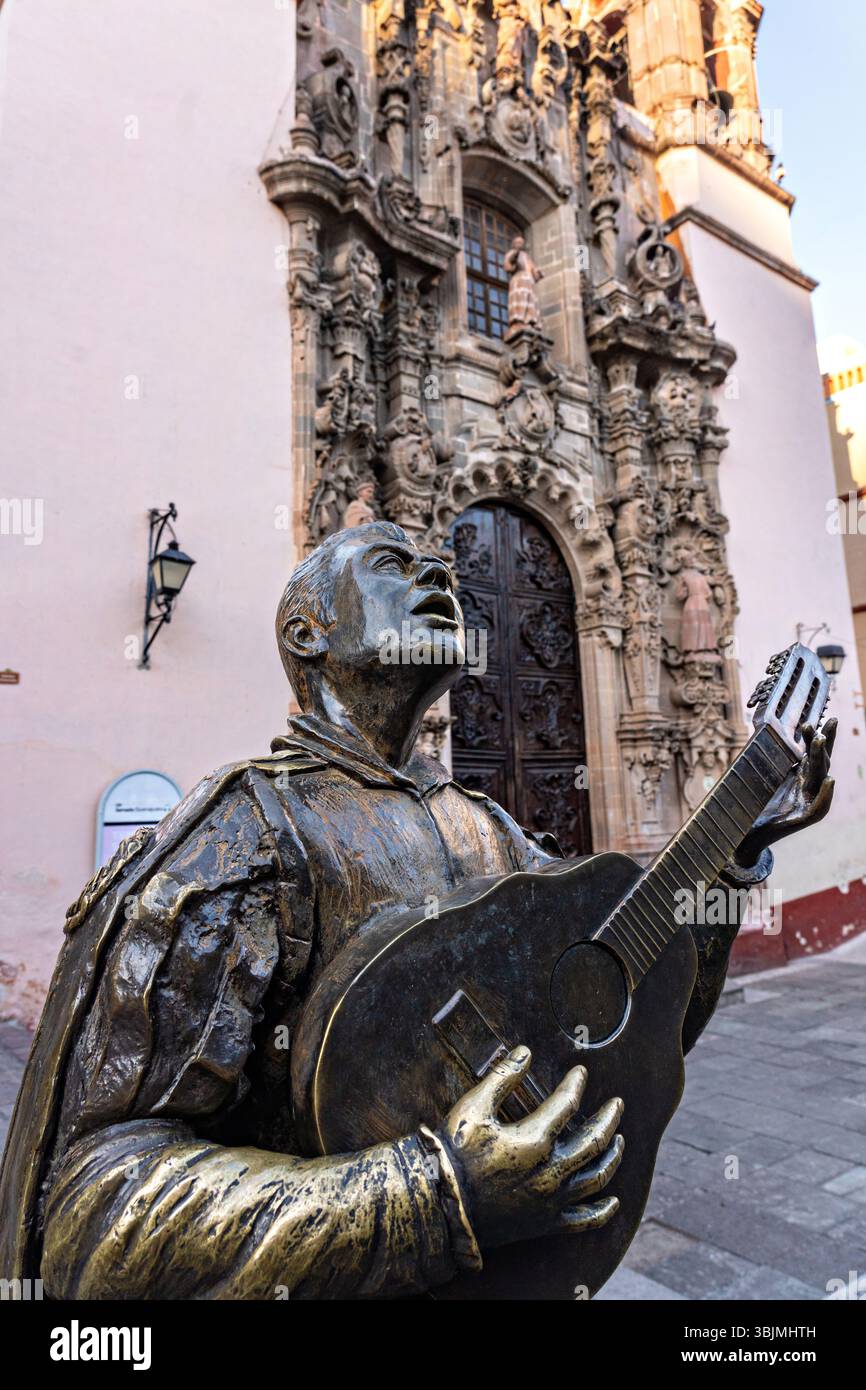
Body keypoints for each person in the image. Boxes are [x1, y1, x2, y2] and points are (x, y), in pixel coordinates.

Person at [0, 521, 835, 1299]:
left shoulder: (486, 829)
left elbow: (620, 1036)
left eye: (441, 564)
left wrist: (725, 861)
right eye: (394, 565)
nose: (440, 570)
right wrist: (434, 1194)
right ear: (306, 635)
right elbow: (90, 1211)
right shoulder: (242, 837)